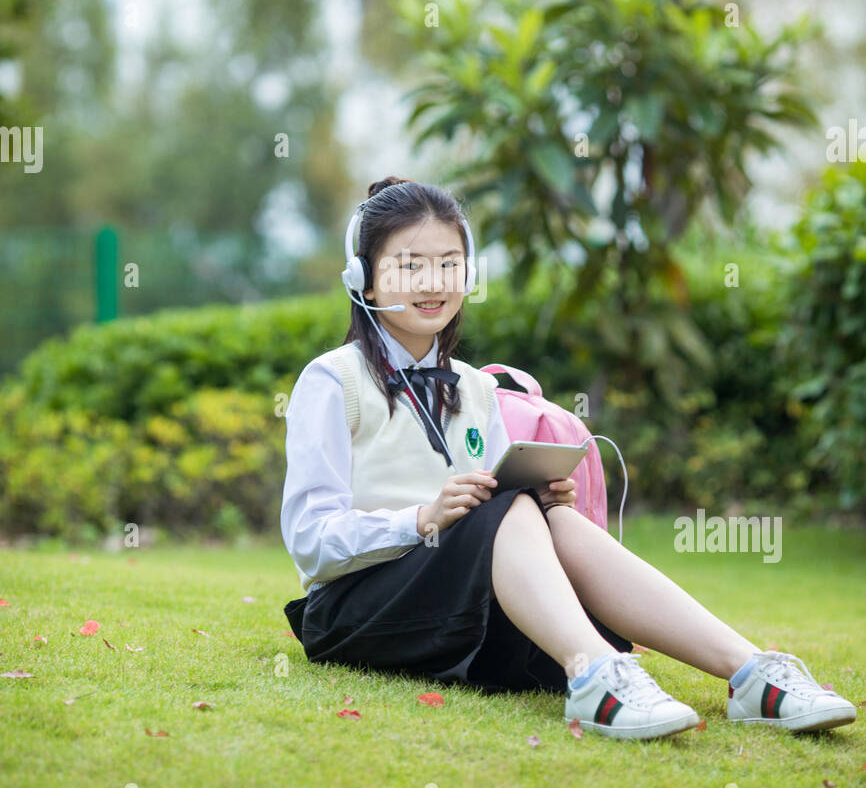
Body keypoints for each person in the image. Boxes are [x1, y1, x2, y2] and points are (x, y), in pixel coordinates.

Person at [280, 176, 857, 741]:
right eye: (410, 265)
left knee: (549, 513)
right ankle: (595, 675)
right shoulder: (333, 381)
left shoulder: (474, 387)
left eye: (450, 263)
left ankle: (750, 671)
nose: (434, 281)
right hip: (357, 612)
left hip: (456, 603)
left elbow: (486, 507)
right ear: (364, 279)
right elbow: (310, 538)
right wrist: (421, 518)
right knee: (505, 512)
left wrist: (530, 498)